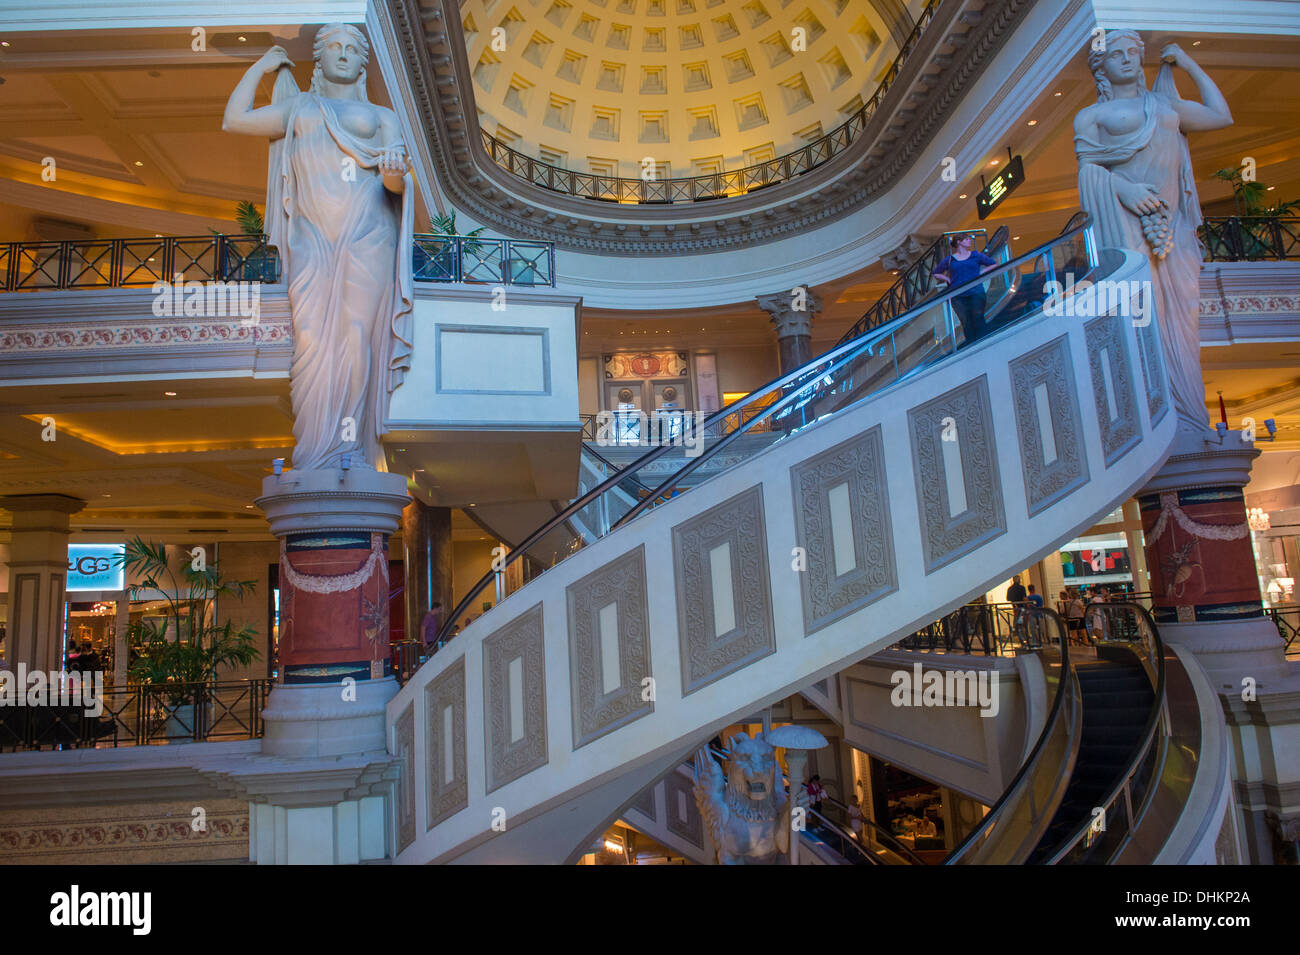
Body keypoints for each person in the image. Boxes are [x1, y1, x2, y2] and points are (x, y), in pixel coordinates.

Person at [932, 232, 998, 346]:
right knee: (966, 321)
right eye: (966, 239)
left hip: (976, 291)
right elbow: (936, 272)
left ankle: (984, 343)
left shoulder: (975, 255)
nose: (969, 241)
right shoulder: (950, 259)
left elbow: (992, 264)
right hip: (958, 295)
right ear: (959, 242)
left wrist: (981, 272)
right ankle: (972, 346)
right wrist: (947, 279)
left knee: (978, 317)